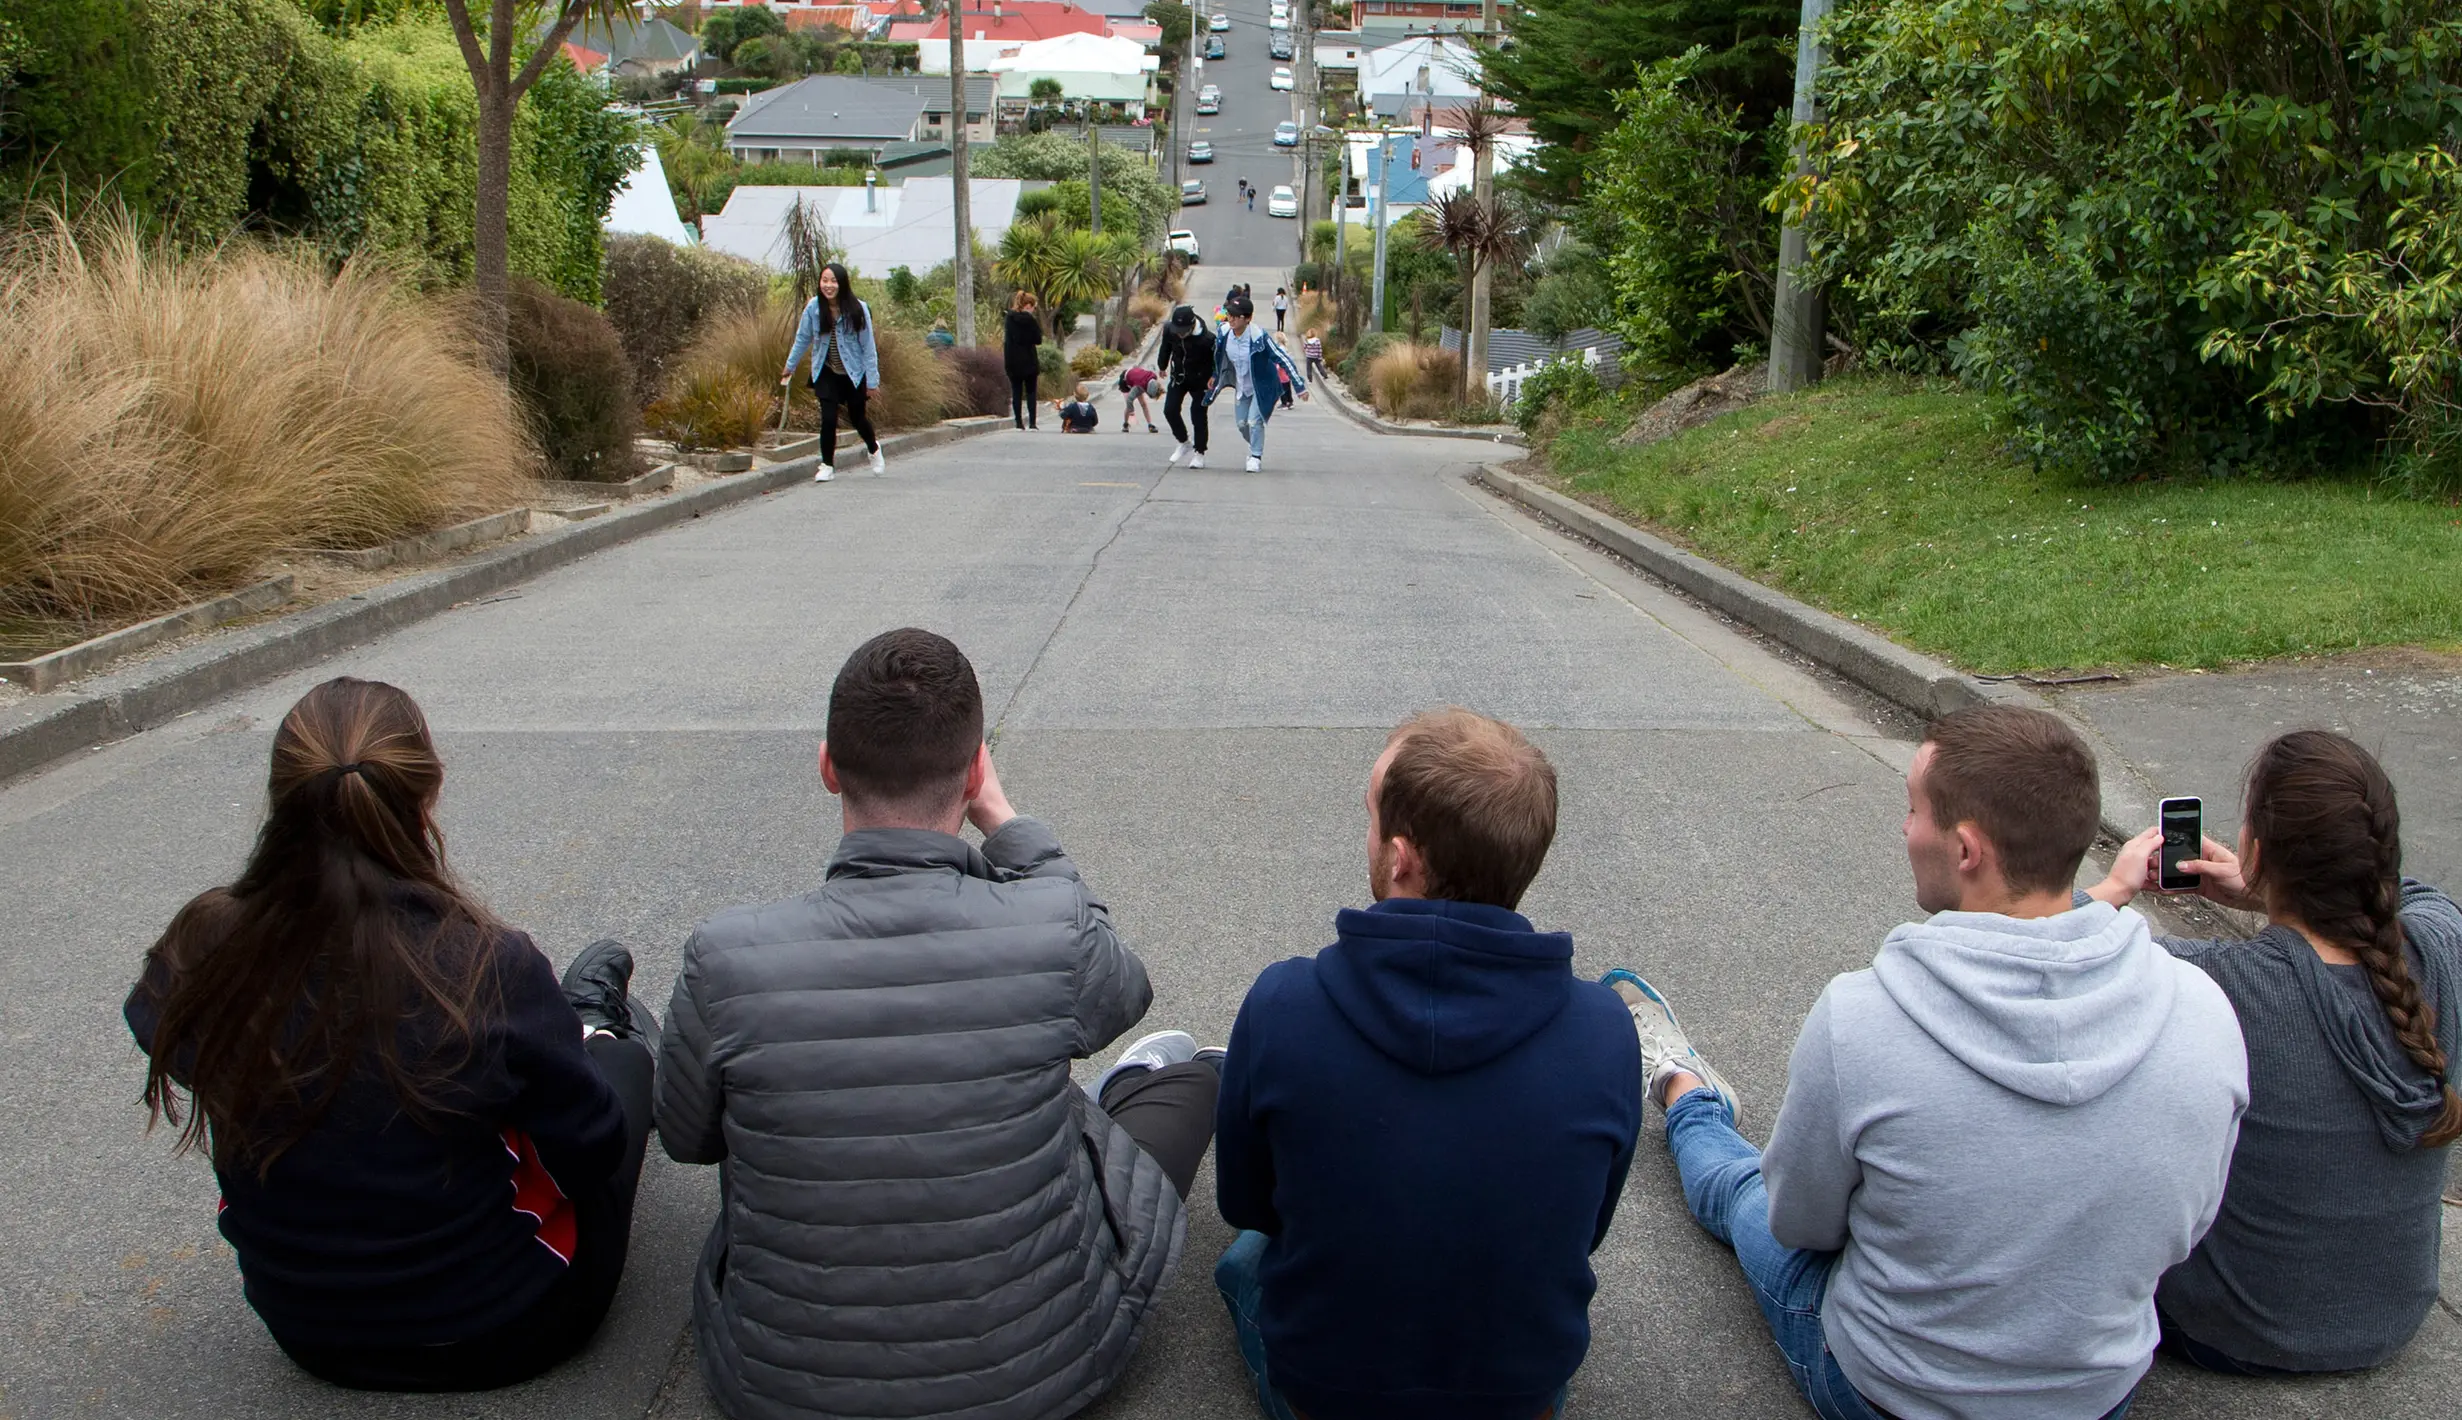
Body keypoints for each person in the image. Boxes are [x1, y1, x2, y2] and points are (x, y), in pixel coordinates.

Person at [1614, 704, 2246, 1420]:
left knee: (1745, 1192)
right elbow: (2187, 1228)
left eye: (1913, 810)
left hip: (1888, 1391)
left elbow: (1801, 1223)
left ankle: (1684, 1092)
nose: (1904, 828)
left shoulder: (1862, 1018)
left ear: (1967, 849)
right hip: (2096, 1396)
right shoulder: (2205, 1012)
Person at [656, 629, 1216, 1420]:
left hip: (779, 1387)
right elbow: (1123, 992)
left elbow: (688, 1137)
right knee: (1183, 1086)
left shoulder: (725, 959)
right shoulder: (1049, 924)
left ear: (827, 768)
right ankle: (1129, 1086)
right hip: (1038, 1374)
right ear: (975, 770)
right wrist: (1010, 825)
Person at [124, 676, 655, 1391]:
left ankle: (572, 1028)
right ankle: (592, 1023)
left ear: (282, 798)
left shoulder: (207, 942)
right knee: (622, 1075)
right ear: (427, 796)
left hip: (308, 1332)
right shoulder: (482, 962)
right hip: (511, 1327)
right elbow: (588, 1153)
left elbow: (160, 1027)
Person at [1215, 709, 1643, 1420]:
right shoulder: (1604, 1028)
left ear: (1400, 858)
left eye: (1372, 815)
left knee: (1243, 1258)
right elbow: (1587, 1227)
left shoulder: (1283, 1004)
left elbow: (1248, 1203)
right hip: (1519, 1397)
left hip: (1326, 1395)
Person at [2087, 729, 2461, 1376]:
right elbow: (2417, 899)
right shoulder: (2443, 951)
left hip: (2233, 1331)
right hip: (2391, 1318)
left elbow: (2033, 942)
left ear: (2254, 849)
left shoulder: (2209, 981)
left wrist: (2114, 889)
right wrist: (2271, 889)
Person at [778, 261, 883, 483]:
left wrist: (872, 381)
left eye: (833, 281)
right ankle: (827, 464)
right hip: (826, 371)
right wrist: (790, 365)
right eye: (824, 280)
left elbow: (868, 346)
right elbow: (802, 338)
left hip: (853, 373)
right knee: (827, 418)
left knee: (857, 418)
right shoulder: (814, 308)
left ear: (842, 283)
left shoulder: (858, 308)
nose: (828, 285)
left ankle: (873, 448)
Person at [1210, 291, 1307, 472]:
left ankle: (1255, 456)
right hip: (1242, 386)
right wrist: (1214, 376)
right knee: (1241, 424)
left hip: (1263, 386)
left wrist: (1299, 385)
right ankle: (1255, 442)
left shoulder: (1258, 337)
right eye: (1229, 315)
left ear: (1247, 318)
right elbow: (1217, 357)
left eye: (1235, 317)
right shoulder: (1224, 333)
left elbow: (1282, 358)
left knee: (1254, 421)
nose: (1230, 319)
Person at [1157, 304, 1217, 468]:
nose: (1180, 334)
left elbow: (1216, 362)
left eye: (1183, 331)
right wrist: (1162, 365)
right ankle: (1183, 441)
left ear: (1192, 326)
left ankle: (1199, 453)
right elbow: (1166, 347)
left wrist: (1214, 376)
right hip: (1179, 377)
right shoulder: (1170, 330)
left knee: (1197, 415)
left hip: (1200, 380)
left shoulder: (1207, 339)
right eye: (1178, 331)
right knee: (1170, 410)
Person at [1003, 289, 1044, 430]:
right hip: (1029, 360)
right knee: (1031, 391)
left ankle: (1018, 422)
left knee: (1016, 392)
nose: (1034, 310)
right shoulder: (1031, 321)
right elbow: (1038, 340)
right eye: (1034, 307)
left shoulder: (1009, 318)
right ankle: (1032, 422)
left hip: (1013, 360)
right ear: (1028, 305)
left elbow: (1008, 340)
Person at [1116, 362, 1161, 432]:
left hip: (1137, 378)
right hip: (1125, 381)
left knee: (1143, 404)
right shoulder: (1138, 387)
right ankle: (1125, 424)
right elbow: (1129, 399)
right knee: (1129, 405)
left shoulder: (1153, 377)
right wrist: (1132, 410)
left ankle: (1150, 424)